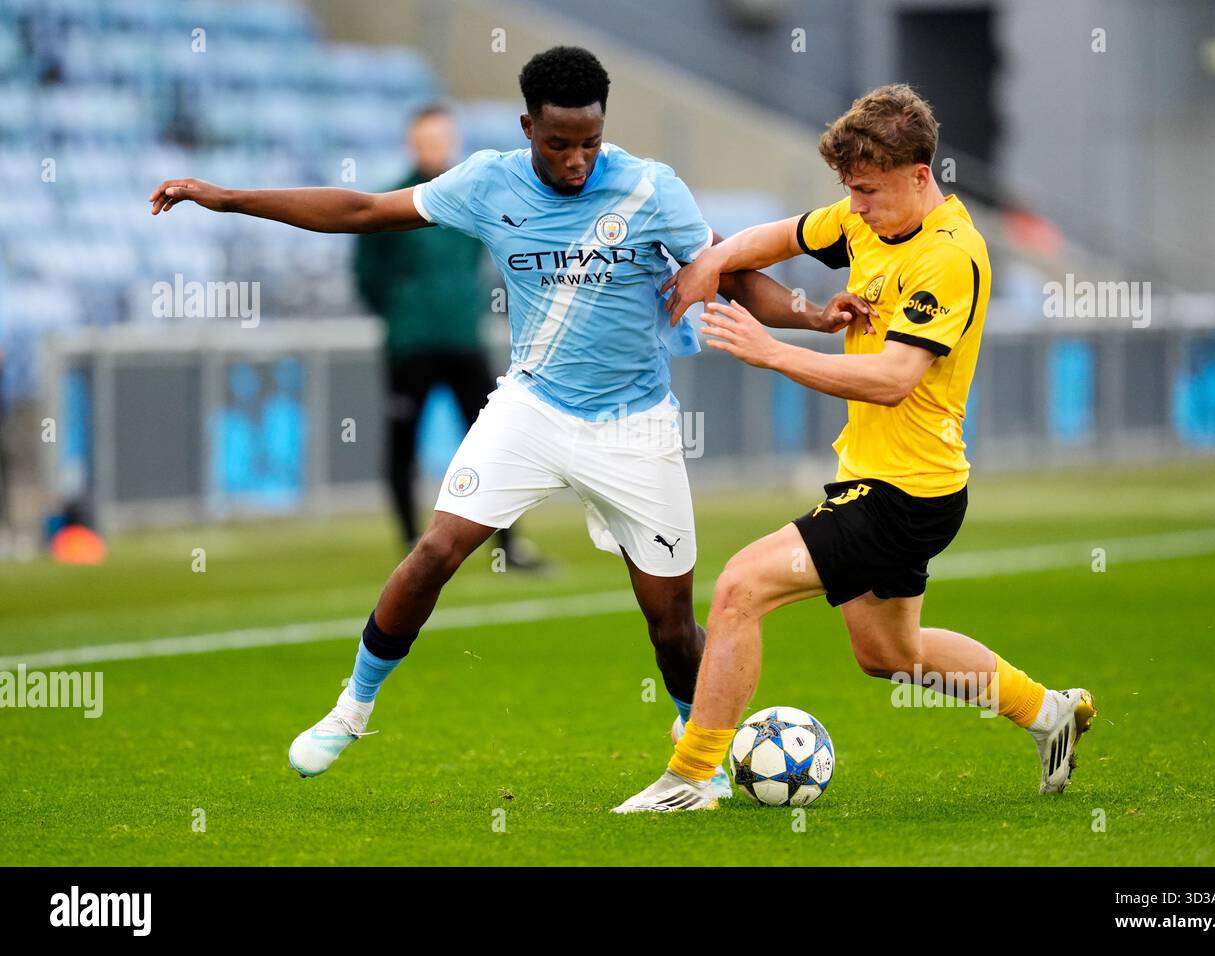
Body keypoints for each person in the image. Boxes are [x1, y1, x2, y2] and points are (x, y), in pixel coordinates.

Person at [148, 46, 842, 786]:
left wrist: (814, 314)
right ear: (526, 127)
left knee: (671, 623)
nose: (576, 160)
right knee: (436, 550)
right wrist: (228, 197)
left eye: (589, 143)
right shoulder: (486, 181)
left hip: (636, 425)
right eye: (558, 144)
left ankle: (693, 750)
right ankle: (352, 707)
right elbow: (361, 210)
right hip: (532, 409)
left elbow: (734, 275)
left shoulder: (650, 189)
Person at [614, 84, 1095, 813]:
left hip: (906, 492)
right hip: (888, 481)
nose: (857, 207)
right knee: (889, 655)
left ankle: (691, 776)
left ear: (919, 176)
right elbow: (769, 239)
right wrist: (710, 265)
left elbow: (895, 379)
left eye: (868, 191)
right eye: (850, 192)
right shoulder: (870, 215)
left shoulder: (949, 256)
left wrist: (772, 351)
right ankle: (1048, 712)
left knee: (741, 586)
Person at [354, 103, 542, 565]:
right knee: (403, 441)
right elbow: (366, 276)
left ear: (453, 141)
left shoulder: (470, 200)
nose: (436, 147)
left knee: (494, 442)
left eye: (442, 138)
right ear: (412, 143)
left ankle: (507, 547)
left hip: (464, 339)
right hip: (410, 343)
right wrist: (401, 312)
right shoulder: (389, 200)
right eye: (427, 139)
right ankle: (407, 542)